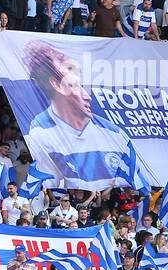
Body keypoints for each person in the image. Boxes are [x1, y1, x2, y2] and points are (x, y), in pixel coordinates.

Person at [19, 39, 137, 191]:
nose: (87, 96)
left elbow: (132, 180)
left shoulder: (115, 134)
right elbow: (50, 186)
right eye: (75, 86)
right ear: (56, 84)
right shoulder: (40, 131)